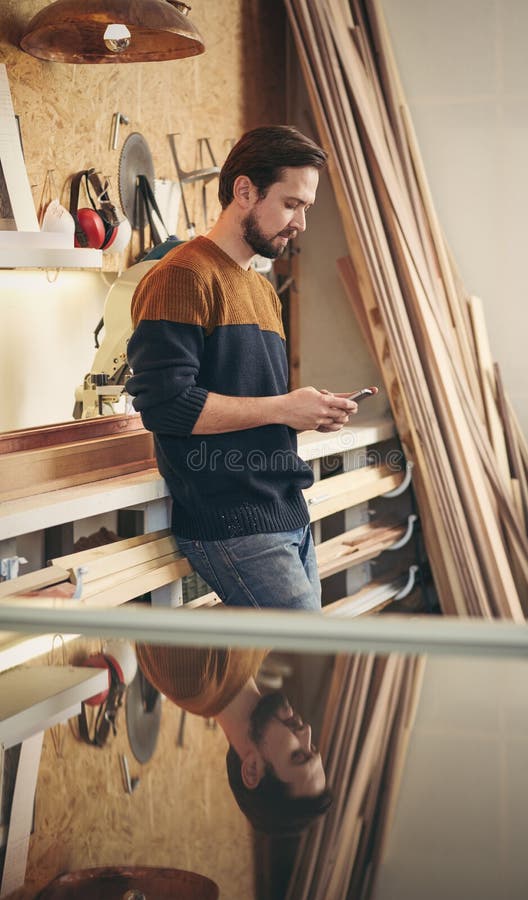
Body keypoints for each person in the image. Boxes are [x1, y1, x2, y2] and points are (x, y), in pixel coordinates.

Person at [127, 125, 361, 611]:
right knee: (307, 654)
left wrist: (308, 411)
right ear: (245, 191)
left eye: (306, 208)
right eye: (291, 204)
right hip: (233, 521)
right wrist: (284, 409)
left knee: (302, 658)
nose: (301, 223)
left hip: (286, 510)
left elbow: (256, 402)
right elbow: (168, 406)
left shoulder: (259, 289)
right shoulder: (181, 276)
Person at [136, 640, 332, 835]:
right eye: (312, 748)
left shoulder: (195, 679)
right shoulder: (258, 651)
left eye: (298, 755)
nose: (307, 731)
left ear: (252, 769)